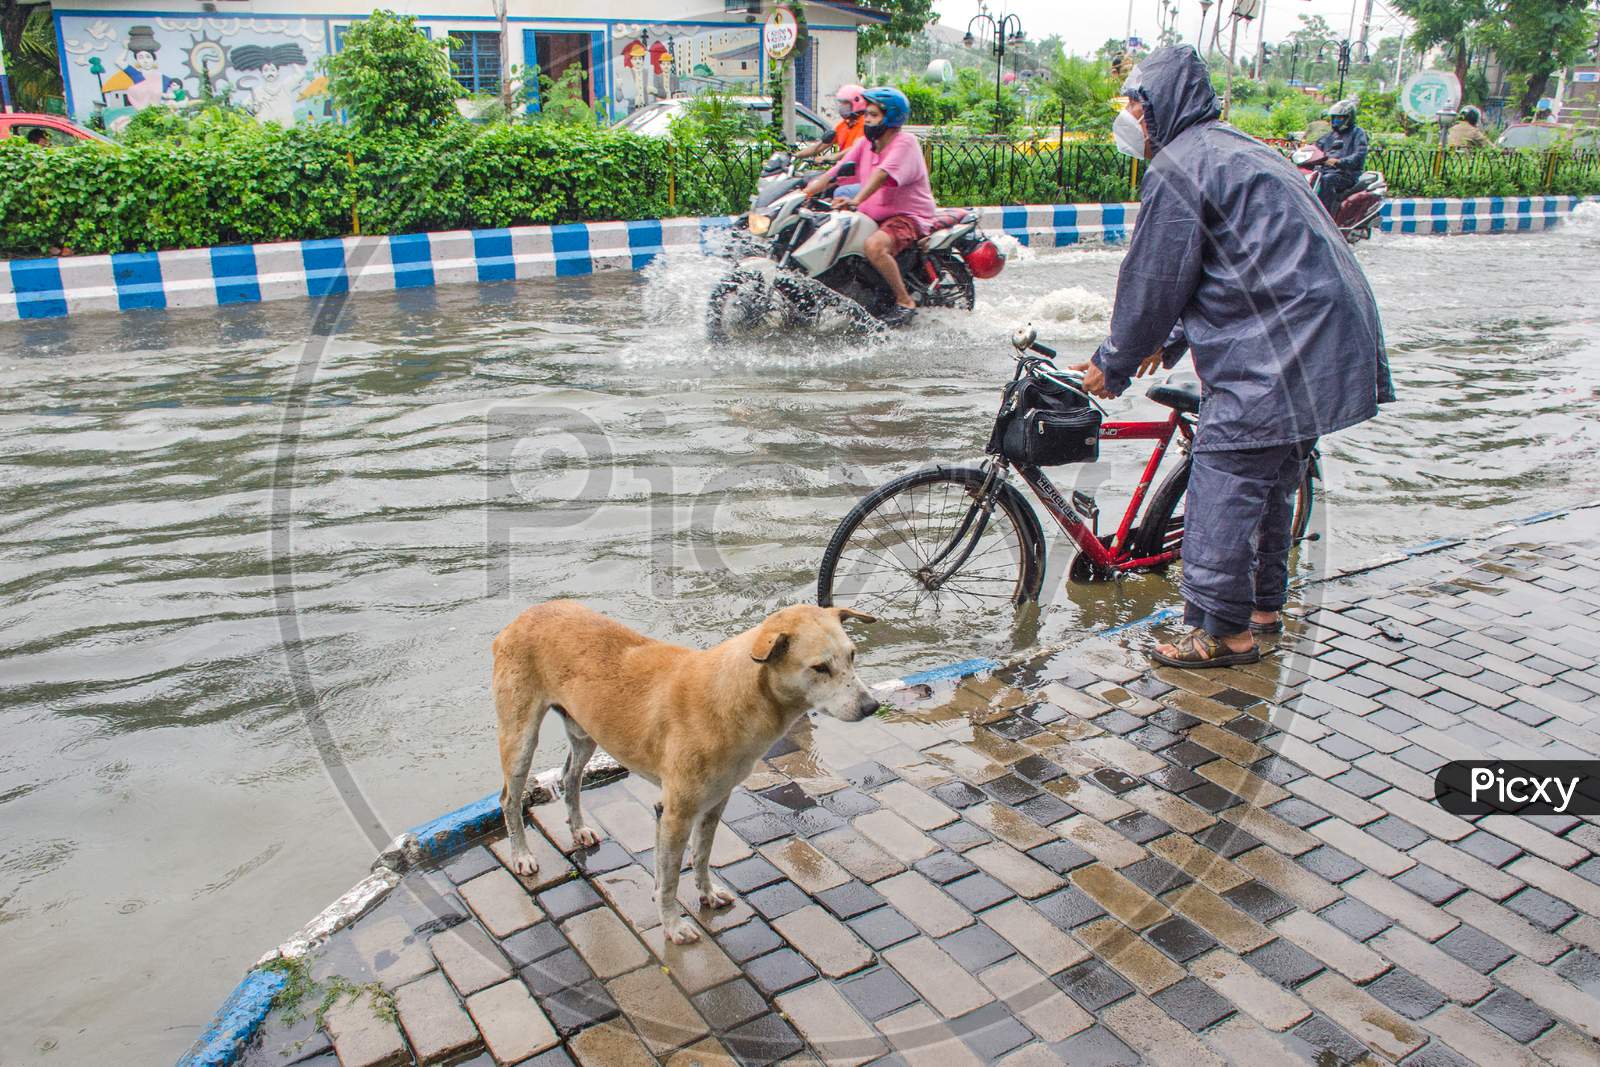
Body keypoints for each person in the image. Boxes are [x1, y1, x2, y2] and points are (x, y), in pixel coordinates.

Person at [1071, 45, 1392, 668]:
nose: (1129, 115)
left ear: (1160, 105)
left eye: (1135, 103)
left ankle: (1221, 634)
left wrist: (1113, 361)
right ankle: (1263, 609)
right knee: (1272, 480)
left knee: (1225, 475)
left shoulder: (1179, 165)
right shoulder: (1236, 147)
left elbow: (1155, 279)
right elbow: (1237, 260)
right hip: (1321, 331)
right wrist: (1169, 343)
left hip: (1280, 345)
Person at [801, 86, 937, 328]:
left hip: (906, 215)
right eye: (867, 115)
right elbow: (836, 171)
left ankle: (904, 300)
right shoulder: (866, 143)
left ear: (892, 117)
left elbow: (882, 175)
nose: (868, 120)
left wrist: (856, 200)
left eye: (874, 115)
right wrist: (806, 192)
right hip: (873, 213)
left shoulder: (905, 143)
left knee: (874, 246)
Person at [1313, 98, 1369, 216]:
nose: (1335, 121)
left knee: (1327, 180)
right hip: (1326, 171)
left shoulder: (1358, 133)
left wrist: (1339, 162)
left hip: (1347, 174)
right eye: (1334, 117)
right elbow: (1316, 147)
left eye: (1339, 118)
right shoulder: (1330, 135)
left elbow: (1359, 154)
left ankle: (1324, 217)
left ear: (1349, 118)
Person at [795, 84, 867, 161]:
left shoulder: (866, 124)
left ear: (857, 102)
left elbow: (855, 148)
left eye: (845, 103)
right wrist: (795, 156)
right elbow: (820, 146)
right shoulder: (843, 125)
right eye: (841, 103)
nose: (841, 106)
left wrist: (830, 157)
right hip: (845, 169)